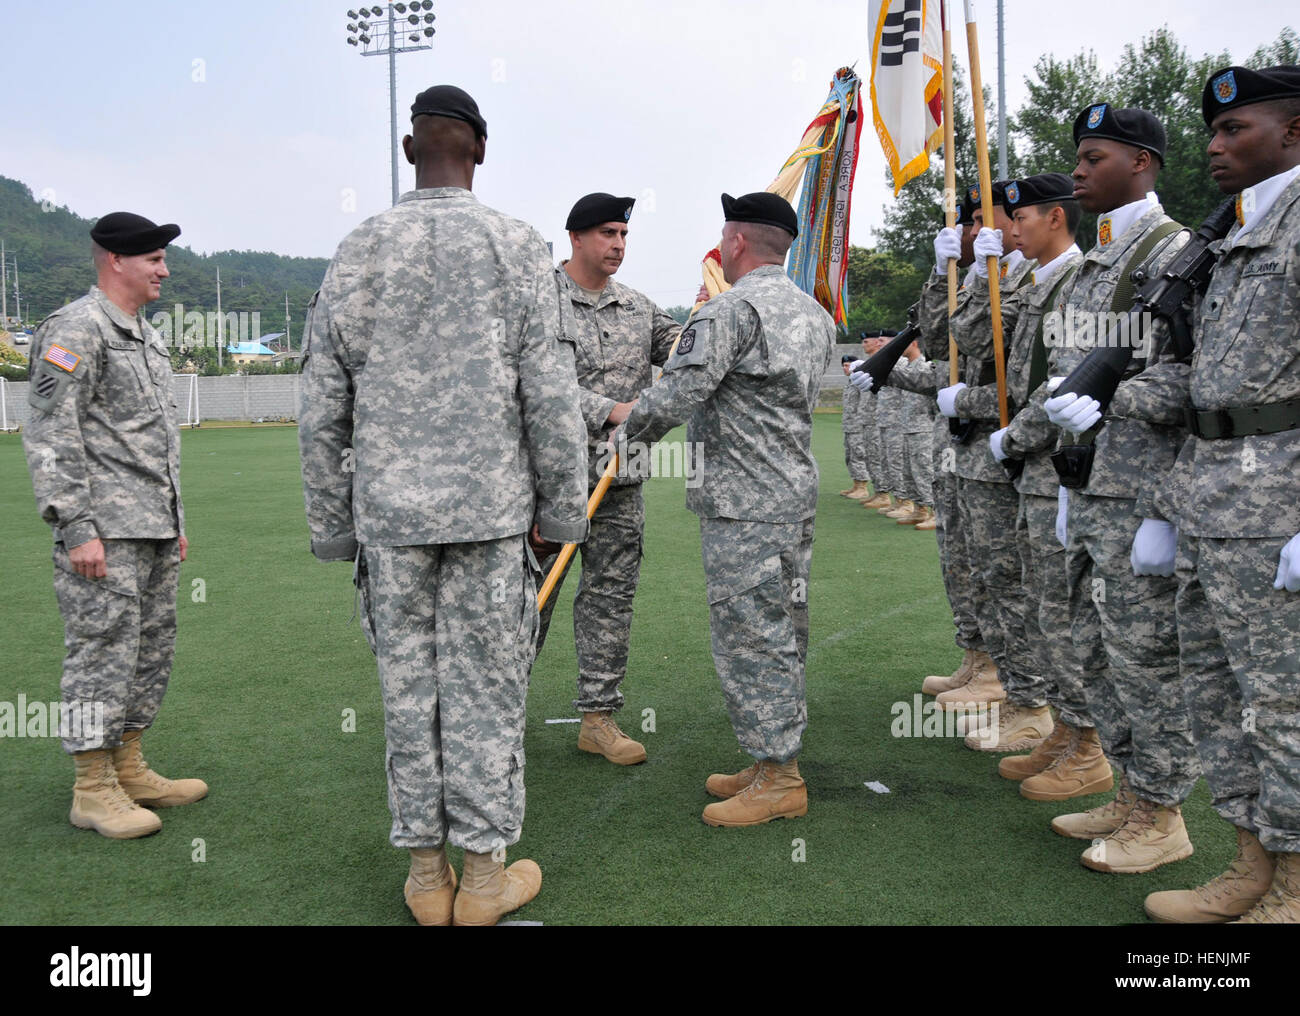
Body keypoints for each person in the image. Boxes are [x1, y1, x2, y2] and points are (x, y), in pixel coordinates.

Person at [298, 85, 589, 926]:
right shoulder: (516, 248)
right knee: (487, 694)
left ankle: (428, 878)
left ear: (408, 148)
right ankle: (485, 876)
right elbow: (551, 396)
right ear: (480, 152)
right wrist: (562, 512)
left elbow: (322, 406)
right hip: (492, 519)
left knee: (408, 692)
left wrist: (332, 526)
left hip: (391, 524)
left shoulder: (360, 248)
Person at [1131, 65, 1300, 922]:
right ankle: (1250, 860)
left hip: (1279, 511)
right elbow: (1213, 382)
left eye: (1237, 131)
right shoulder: (1235, 237)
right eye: (1214, 132)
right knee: (1220, 693)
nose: (1215, 145)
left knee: (1286, 703)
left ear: (1295, 133)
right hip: (1211, 503)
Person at [618, 192, 836, 827]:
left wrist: (622, 440)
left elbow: (674, 396)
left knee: (751, 634)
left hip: (745, 504)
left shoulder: (730, 312)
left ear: (735, 242)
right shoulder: (813, 314)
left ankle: (781, 776)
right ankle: (773, 761)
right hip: (791, 494)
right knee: (784, 627)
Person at [1040, 103, 1200, 874]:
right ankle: (1134, 792)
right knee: (1096, 652)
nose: (1077, 171)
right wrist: (1071, 481)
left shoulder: (1174, 255)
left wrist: (1165, 509)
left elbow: (1192, 386)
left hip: (1142, 494)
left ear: (1142, 162)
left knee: (1147, 660)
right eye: (1076, 156)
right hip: (1094, 485)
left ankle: (1164, 814)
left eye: (1093, 157)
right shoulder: (1100, 262)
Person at [23, 211, 205, 840]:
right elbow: (50, 433)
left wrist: (173, 519)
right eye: (153, 258)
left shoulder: (143, 336)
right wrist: (75, 524)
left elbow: (148, 440)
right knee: (101, 649)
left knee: (148, 649)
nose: (164, 268)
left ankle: (128, 765)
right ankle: (92, 788)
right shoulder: (76, 328)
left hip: (149, 526)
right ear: (114, 261)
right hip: (103, 528)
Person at [535, 192, 680, 766]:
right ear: (575, 237)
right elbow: (532, 381)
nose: (618, 245)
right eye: (607, 234)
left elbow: (691, 353)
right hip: (548, 481)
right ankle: (492, 718)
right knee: (527, 600)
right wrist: (612, 409)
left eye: (623, 235)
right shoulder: (538, 301)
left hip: (620, 482)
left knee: (610, 598)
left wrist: (723, 307)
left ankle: (597, 718)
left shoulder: (640, 308)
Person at [976, 173, 1108, 787]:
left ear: (1054, 218)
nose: (1008, 228)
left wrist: (1014, 437)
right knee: (1043, 607)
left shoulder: (1077, 283)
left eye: (1018, 217)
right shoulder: (1035, 281)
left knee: (1065, 614)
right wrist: (979, 278)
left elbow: (1061, 383)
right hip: (1031, 468)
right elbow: (972, 340)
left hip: (1058, 465)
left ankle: (1086, 745)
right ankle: (1066, 731)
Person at [933, 181, 1037, 713]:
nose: (974, 231)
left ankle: (1011, 681)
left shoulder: (1035, 278)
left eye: (983, 220)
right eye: (970, 222)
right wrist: (944, 274)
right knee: (965, 562)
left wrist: (965, 401)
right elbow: (936, 338)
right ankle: (980, 657)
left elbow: (996, 357)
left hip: (1005, 447)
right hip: (967, 449)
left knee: (1006, 574)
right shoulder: (976, 275)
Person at [839, 353, 872, 500]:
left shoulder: (860, 382)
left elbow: (864, 404)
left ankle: (863, 487)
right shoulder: (850, 382)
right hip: (849, 425)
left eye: (848, 365)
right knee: (850, 456)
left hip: (857, 426)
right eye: (844, 366)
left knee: (858, 455)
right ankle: (856, 484)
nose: (845, 368)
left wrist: (860, 423)